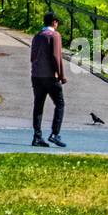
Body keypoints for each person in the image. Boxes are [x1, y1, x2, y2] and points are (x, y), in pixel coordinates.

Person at [30, 11, 67, 148]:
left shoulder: (37, 36)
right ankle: (55, 134)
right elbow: (56, 57)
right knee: (60, 104)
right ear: (54, 22)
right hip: (50, 76)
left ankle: (37, 136)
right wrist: (61, 75)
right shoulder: (54, 36)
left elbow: (32, 57)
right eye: (57, 22)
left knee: (38, 106)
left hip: (36, 75)